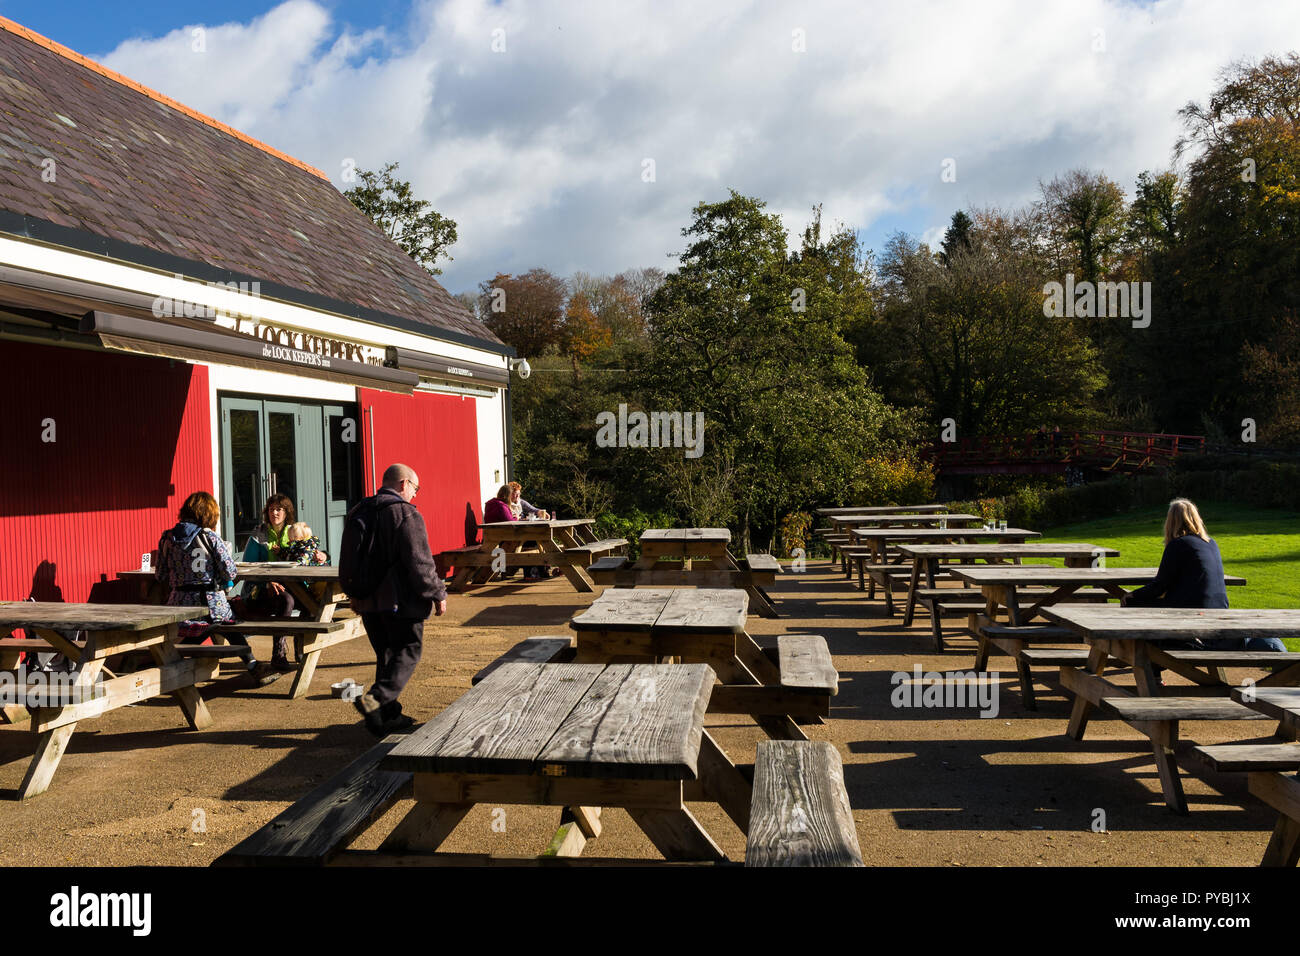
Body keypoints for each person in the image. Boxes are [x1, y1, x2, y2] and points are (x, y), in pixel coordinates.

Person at [342, 463, 447, 736]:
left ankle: (386, 716)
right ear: (403, 484)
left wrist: (353, 593)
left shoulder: (358, 510)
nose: (415, 494)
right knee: (408, 650)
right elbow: (420, 562)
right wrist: (437, 593)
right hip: (400, 600)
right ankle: (374, 700)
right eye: (415, 488)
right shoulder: (405, 513)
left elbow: (347, 558)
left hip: (368, 601)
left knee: (386, 655)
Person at [1125, 498, 1285, 652]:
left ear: (1171, 521)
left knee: (1135, 608)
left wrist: (1131, 595)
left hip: (1191, 611)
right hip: (1219, 608)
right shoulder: (1211, 543)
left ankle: (1153, 669)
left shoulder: (1178, 544)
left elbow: (1159, 586)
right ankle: (1156, 669)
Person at [156, 492, 275, 684]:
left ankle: (170, 661)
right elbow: (230, 572)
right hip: (210, 601)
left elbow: (160, 575)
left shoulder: (167, 538)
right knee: (228, 626)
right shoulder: (209, 537)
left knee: (208, 628)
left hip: (178, 603)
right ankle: (254, 666)